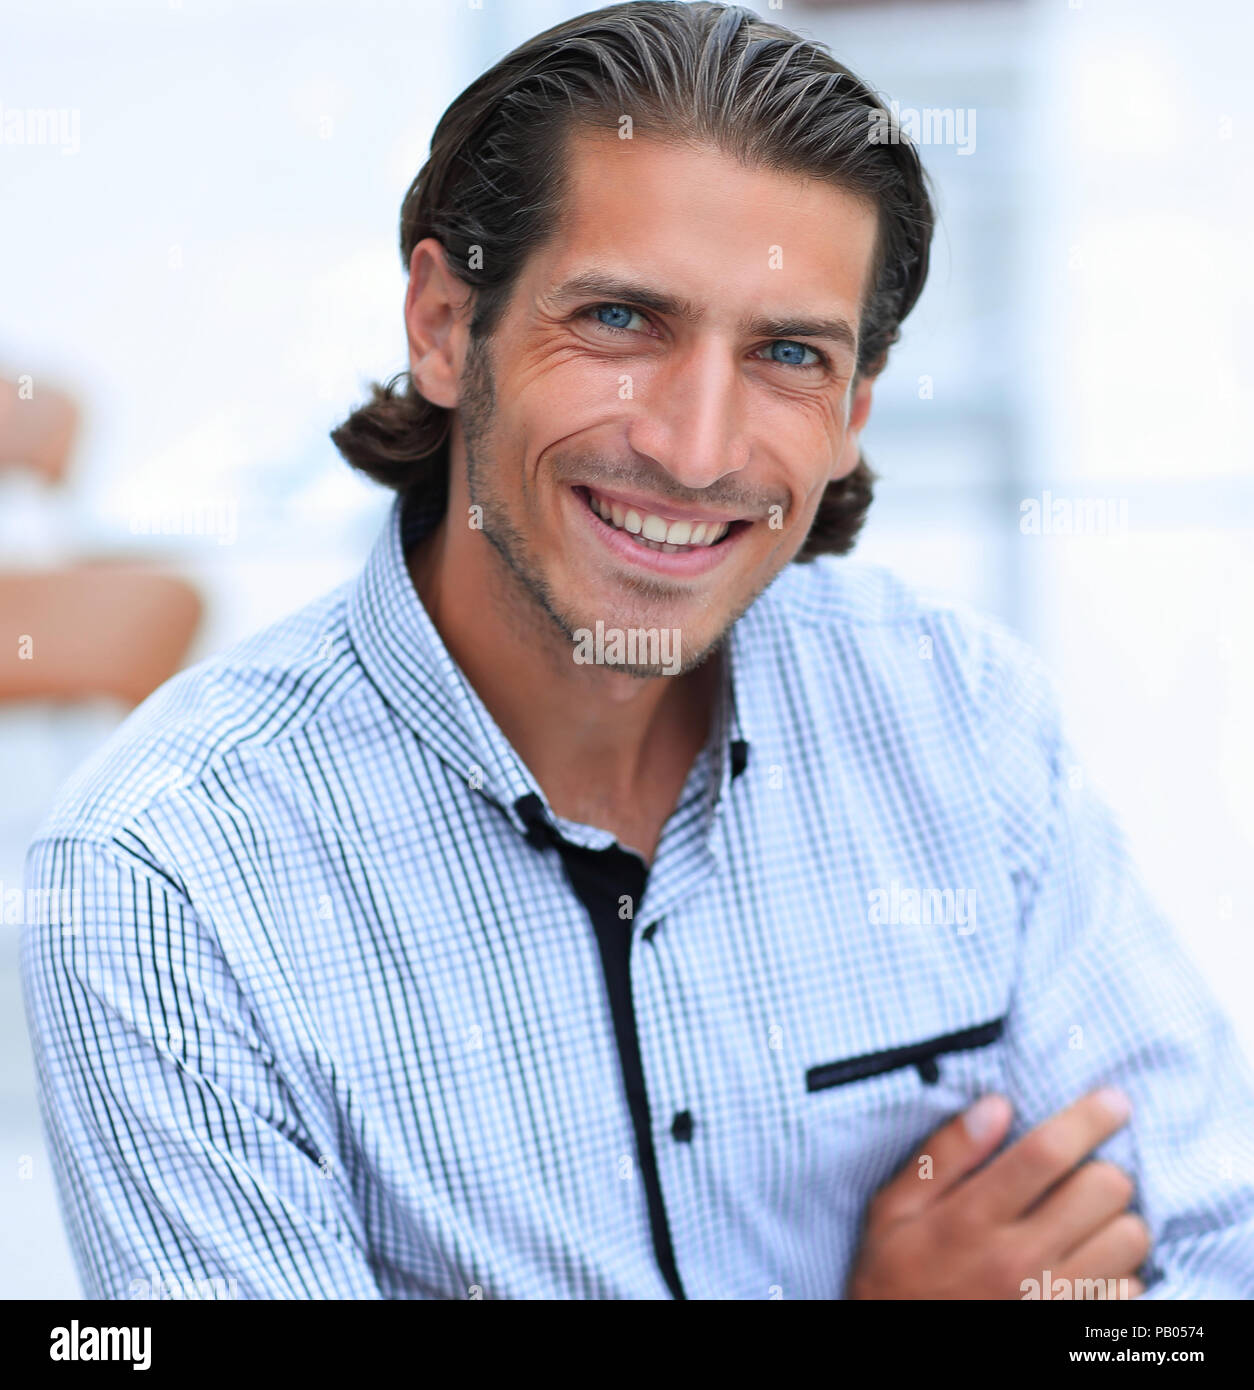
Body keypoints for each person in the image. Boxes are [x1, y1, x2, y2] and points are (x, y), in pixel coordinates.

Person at [21, 1, 1254, 1300]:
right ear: (443, 324)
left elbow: (1209, 1262)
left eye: (786, 353)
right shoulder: (168, 877)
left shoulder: (957, 712)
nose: (696, 446)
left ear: (850, 412)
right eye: (619, 321)